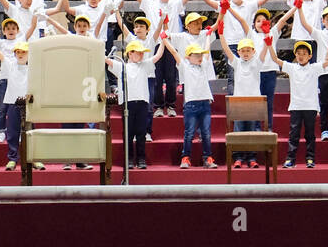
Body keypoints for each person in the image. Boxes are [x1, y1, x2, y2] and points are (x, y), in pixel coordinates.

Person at [272, 37, 328, 169]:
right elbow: (275, 59)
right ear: (295, 55)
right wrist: (268, 43)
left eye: (304, 54)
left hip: (311, 107)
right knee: (293, 134)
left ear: (310, 56)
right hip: (296, 106)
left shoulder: (314, 68)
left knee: (310, 134)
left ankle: (310, 159)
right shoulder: (292, 67)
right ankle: (290, 159)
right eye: (298, 54)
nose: (301, 56)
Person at [106, 37, 167, 170]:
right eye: (138, 52)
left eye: (141, 52)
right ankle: (128, 159)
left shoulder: (145, 65)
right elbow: (106, 60)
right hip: (127, 104)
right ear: (130, 53)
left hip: (142, 103)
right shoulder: (122, 66)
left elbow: (158, 55)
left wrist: (163, 41)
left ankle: (141, 158)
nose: (141, 54)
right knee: (128, 133)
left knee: (141, 132)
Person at [161, 34, 218, 168]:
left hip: (205, 103)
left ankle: (208, 157)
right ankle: (185, 157)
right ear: (188, 57)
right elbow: (174, 52)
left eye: (200, 55)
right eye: (196, 55)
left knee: (206, 133)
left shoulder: (203, 65)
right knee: (189, 133)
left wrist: (208, 36)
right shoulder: (184, 66)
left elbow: (207, 49)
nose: (199, 57)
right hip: (191, 105)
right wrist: (164, 39)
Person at [217, 34, 272, 167]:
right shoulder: (236, 62)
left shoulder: (257, 63)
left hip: (254, 103)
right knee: (238, 130)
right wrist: (221, 35)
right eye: (243, 50)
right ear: (239, 52)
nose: (246, 53)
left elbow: (264, 52)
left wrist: (267, 42)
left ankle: (252, 157)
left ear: (253, 51)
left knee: (252, 130)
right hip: (239, 103)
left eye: (248, 50)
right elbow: (226, 49)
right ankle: (238, 157)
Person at [0, 37, 34, 170]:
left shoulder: (34, 68)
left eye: (24, 52)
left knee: (30, 131)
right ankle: (12, 158)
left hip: (29, 105)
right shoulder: (10, 65)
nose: (21, 55)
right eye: (18, 52)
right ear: (15, 54)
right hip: (13, 102)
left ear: (29, 54)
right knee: (12, 132)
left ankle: (33, 158)